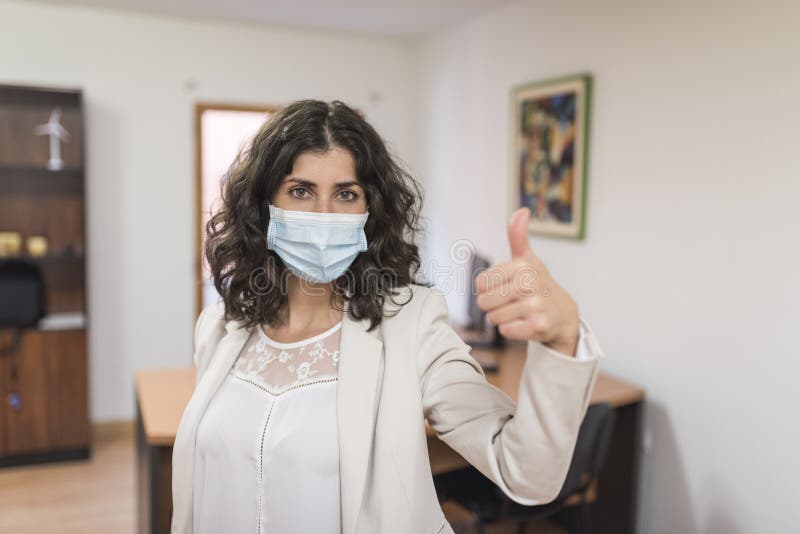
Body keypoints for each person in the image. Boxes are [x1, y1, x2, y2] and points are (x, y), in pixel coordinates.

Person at [171, 99, 604, 534]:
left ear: (368, 210)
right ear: (265, 206)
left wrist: (561, 339)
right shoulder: (221, 327)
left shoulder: (412, 325)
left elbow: (527, 473)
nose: (324, 216)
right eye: (300, 191)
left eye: (346, 194)